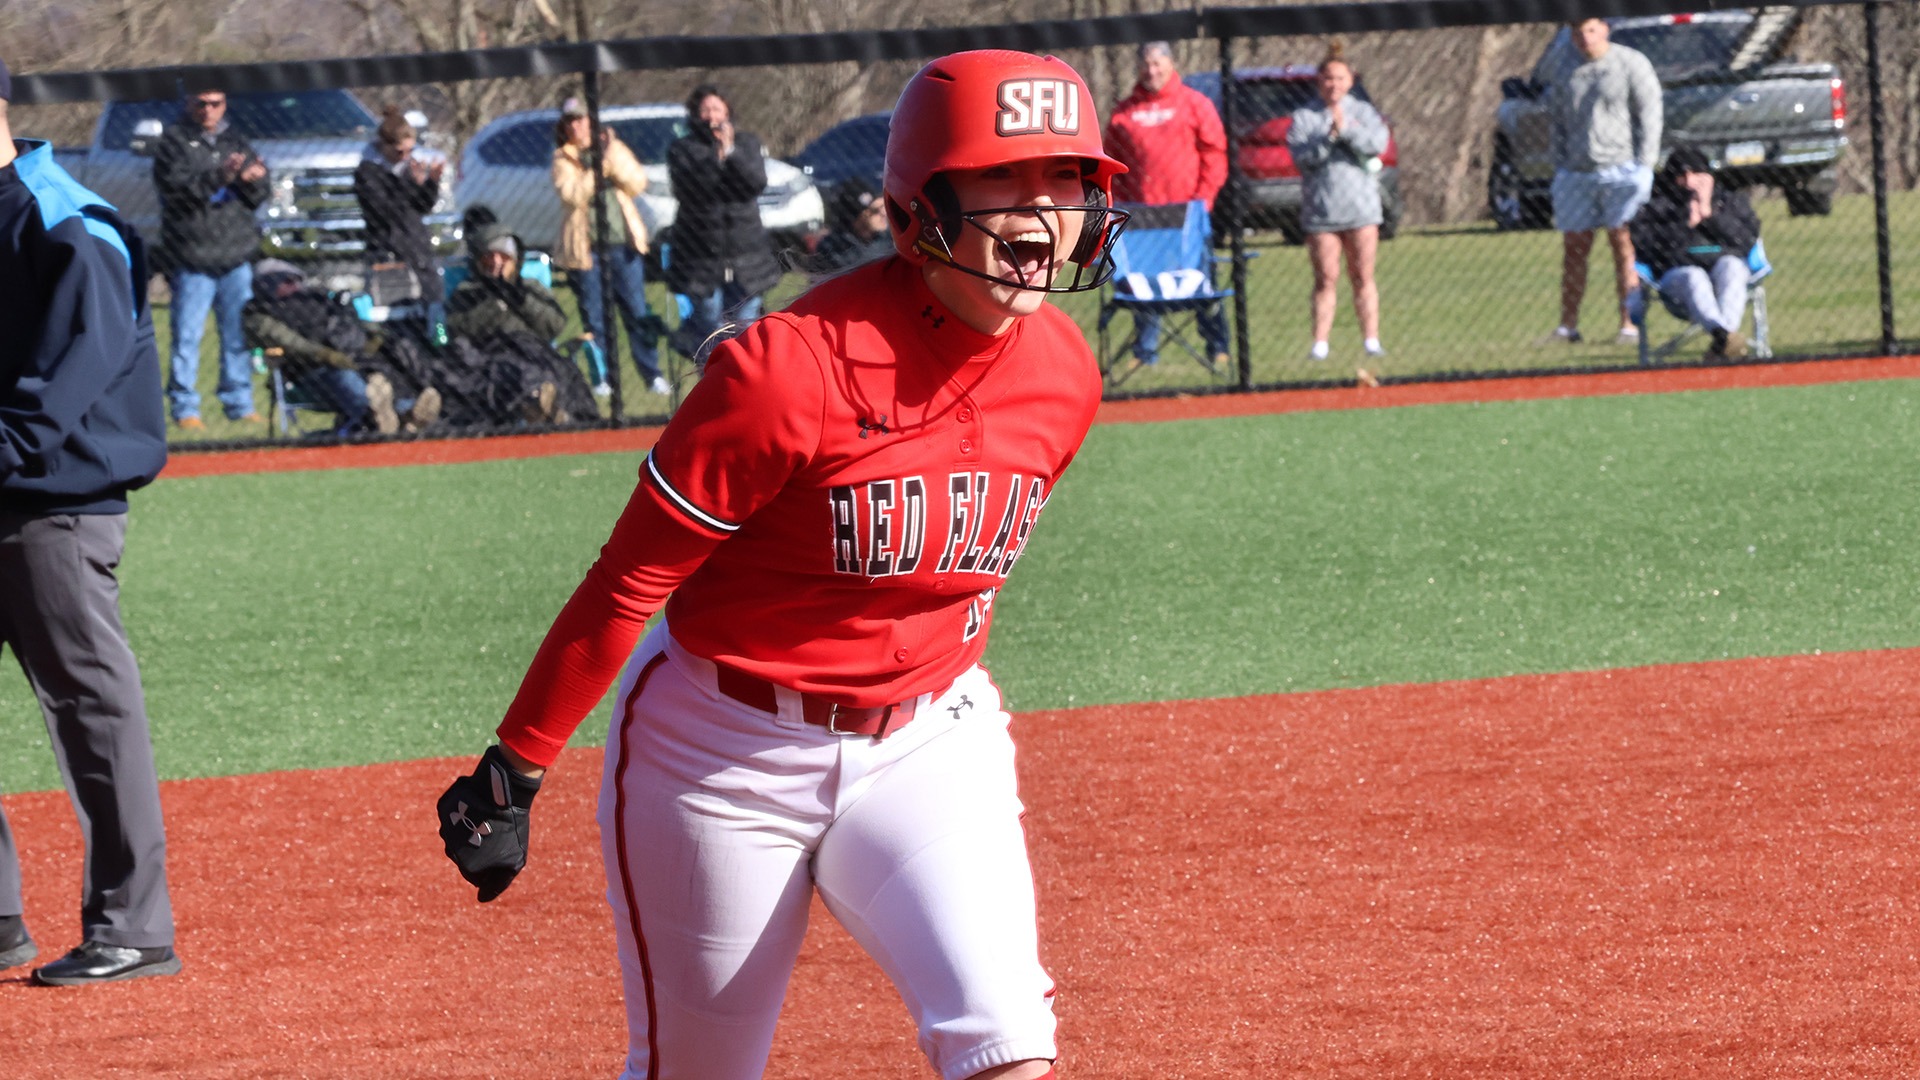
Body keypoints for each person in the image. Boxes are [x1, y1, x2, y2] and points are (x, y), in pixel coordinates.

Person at [434, 49, 1130, 1080]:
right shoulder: (783, 372)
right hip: (724, 753)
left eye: (1068, 178)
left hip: (930, 740)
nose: (1042, 211)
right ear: (916, 209)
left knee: (1008, 1050)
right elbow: (631, 579)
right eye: (1003, 176)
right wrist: (515, 764)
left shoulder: (1067, 375)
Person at [0, 58, 181, 986]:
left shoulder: (62, 216)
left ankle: (133, 928)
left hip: (56, 508)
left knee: (93, 714)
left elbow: (65, 385)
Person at [1104, 40, 1230, 369]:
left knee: (1201, 282)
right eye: (1146, 64)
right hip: (1143, 221)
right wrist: (1121, 204)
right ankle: (1144, 353)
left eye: (1158, 63)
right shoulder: (1125, 112)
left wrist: (1202, 202)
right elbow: (1110, 164)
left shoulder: (1194, 104)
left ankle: (1218, 347)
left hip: (1189, 216)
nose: (1152, 70)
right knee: (1146, 287)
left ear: (1171, 64)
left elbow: (1214, 155)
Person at [153, 86, 271, 429]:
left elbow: (257, 195)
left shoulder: (237, 140)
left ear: (225, 104)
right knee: (187, 336)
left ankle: (239, 402)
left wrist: (251, 181)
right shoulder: (174, 142)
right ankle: (185, 407)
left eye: (215, 103)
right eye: (201, 103)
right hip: (193, 255)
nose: (208, 110)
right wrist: (221, 176)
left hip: (235, 254)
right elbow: (176, 192)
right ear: (189, 103)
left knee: (237, 335)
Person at [1545, 16, 1663, 345]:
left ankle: (1629, 325)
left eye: (1592, 30)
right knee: (1574, 249)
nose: (1585, 38)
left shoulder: (1630, 63)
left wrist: (1645, 164)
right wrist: (1560, 164)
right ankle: (1568, 327)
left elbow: (1650, 112)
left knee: (1624, 246)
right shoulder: (1562, 66)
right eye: (1577, 32)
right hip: (1577, 173)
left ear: (1606, 29)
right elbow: (1555, 118)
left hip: (1622, 170)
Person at [551, 97, 669, 398]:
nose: (577, 125)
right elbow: (573, 195)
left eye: (582, 119)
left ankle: (652, 374)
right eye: (571, 121)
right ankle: (602, 378)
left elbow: (636, 182)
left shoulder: (612, 148)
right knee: (594, 317)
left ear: (592, 122)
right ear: (564, 127)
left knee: (636, 312)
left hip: (622, 247)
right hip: (586, 249)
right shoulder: (562, 158)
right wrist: (600, 168)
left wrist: (608, 157)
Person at [243, 258, 443, 435]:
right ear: (265, 286)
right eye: (285, 281)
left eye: (295, 279)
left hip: (358, 356)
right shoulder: (258, 315)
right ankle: (390, 418)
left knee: (390, 363)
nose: (294, 285)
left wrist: (375, 336)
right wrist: (326, 355)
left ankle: (409, 413)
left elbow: (354, 319)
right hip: (311, 370)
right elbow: (292, 343)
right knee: (349, 378)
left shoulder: (318, 298)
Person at [1287, 41, 1391, 361]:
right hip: (1323, 211)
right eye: (1328, 78)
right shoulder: (1305, 117)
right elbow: (1303, 157)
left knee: (1362, 277)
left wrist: (1347, 133)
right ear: (1319, 81)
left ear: (1351, 81)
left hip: (1362, 209)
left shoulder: (1364, 112)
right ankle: (1320, 345)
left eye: (1340, 78)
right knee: (1326, 278)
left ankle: (1371, 341)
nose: (1334, 85)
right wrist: (1328, 138)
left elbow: (1377, 144)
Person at [664, 83, 781, 366]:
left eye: (716, 108)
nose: (711, 115)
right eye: (704, 110)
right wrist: (713, 162)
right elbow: (688, 188)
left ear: (727, 111)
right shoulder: (683, 150)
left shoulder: (746, 144)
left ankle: (745, 380)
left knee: (745, 325)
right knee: (711, 325)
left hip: (746, 252)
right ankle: (713, 381)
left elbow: (754, 182)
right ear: (694, 114)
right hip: (702, 254)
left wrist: (730, 153)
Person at [444, 220, 598, 425]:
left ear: (515, 260)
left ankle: (562, 413)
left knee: (562, 369)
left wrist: (521, 300)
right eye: (489, 257)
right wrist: (495, 303)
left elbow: (555, 325)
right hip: (490, 352)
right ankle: (538, 405)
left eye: (503, 257)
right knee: (511, 370)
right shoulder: (467, 292)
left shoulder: (530, 288)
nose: (497, 262)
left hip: (533, 349)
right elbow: (458, 327)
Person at [1628, 146, 1761, 360]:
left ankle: (1722, 340)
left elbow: (1745, 240)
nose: (1690, 182)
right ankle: (1725, 338)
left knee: (1732, 266)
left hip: (1724, 279)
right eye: (1681, 175)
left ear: (1709, 175)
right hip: (1677, 284)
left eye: (1696, 173)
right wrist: (1686, 221)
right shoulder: (1655, 209)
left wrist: (1709, 213)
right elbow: (1649, 249)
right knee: (1694, 276)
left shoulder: (1730, 203)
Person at [352, 104, 446, 333]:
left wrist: (430, 182)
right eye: (399, 152)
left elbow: (422, 207)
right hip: (386, 250)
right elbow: (385, 210)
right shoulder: (367, 172)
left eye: (409, 151)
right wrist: (409, 183)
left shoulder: (408, 168)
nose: (404, 157)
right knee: (393, 317)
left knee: (431, 306)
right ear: (383, 146)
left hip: (416, 247)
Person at [807, 176, 892, 276]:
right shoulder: (833, 249)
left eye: (883, 206)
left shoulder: (891, 239)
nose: (883, 213)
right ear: (856, 217)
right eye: (874, 211)